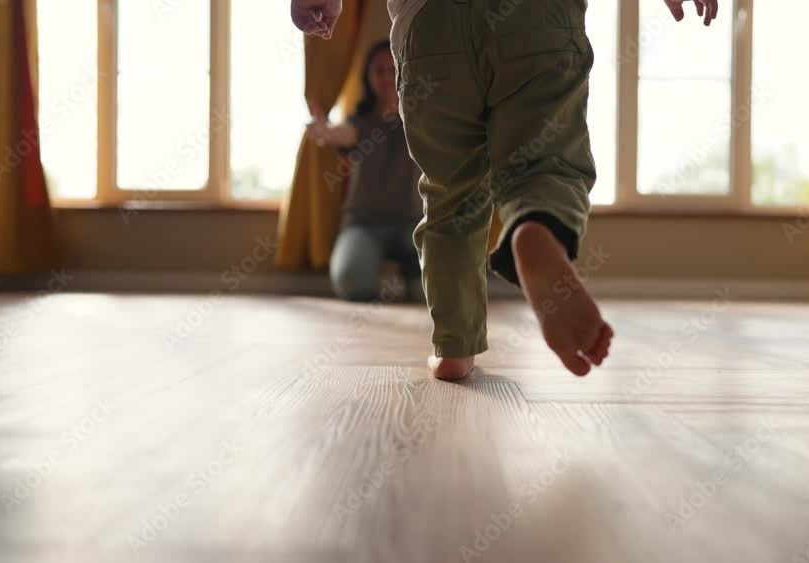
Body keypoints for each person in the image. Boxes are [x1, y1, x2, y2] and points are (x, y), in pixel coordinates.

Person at [291, 0, 718, 379]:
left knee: (450, 196)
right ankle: (535, 224)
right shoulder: (365, 120)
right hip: (538, 19)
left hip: (430, 28)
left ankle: (454, 347)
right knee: (546, 162)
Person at [305, 40, 424, 302]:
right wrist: (324, 132)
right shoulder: (361, 122)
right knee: (352, 284)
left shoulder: (424, 118)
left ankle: (415, 275)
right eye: (379, 70)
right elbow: (342, 135)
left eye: (393, 69)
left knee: (431, 292)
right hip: (364, 226)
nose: (386, 77)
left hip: (417, 226)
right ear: (368, 77)